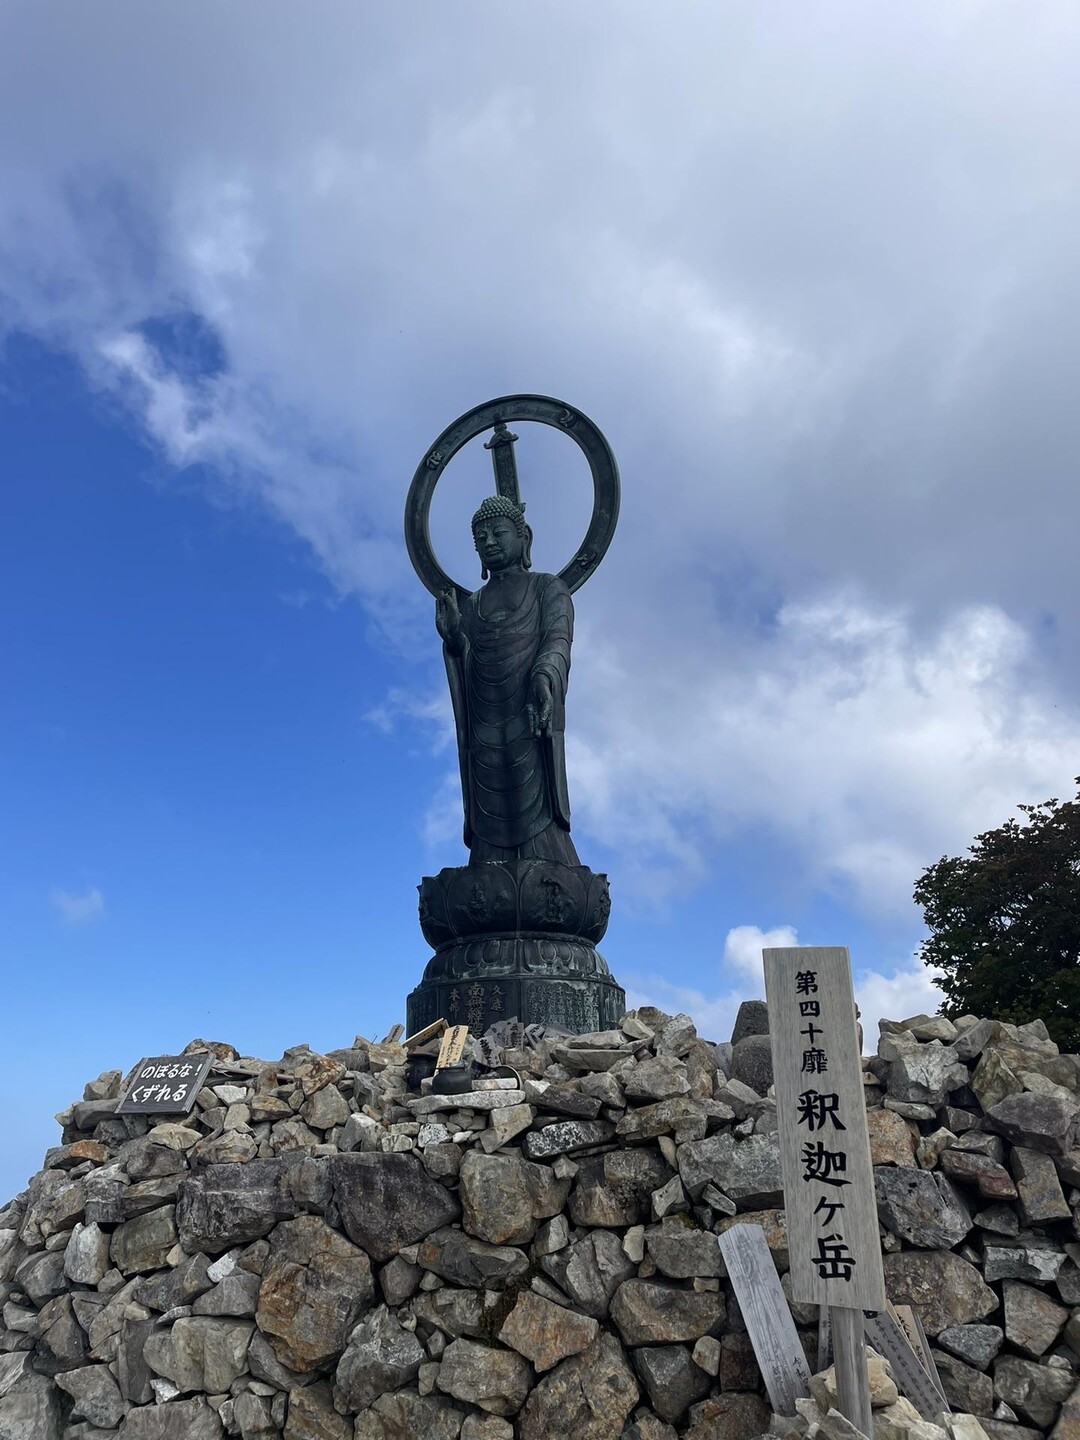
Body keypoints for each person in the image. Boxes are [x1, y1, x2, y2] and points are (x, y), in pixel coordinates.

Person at [436, 494, 580, 865]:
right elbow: (464, 655)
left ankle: (548, 860)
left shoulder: (548, 589)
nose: (488, 543)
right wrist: (454, 639)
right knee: (489, 803)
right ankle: (486, 861)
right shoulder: (472, 605)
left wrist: (545, 676)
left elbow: (557, 641)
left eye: (498, 533)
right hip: (485, 723)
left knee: (536, 809)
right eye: (479, 539)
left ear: (524, 537)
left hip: (529, 716)